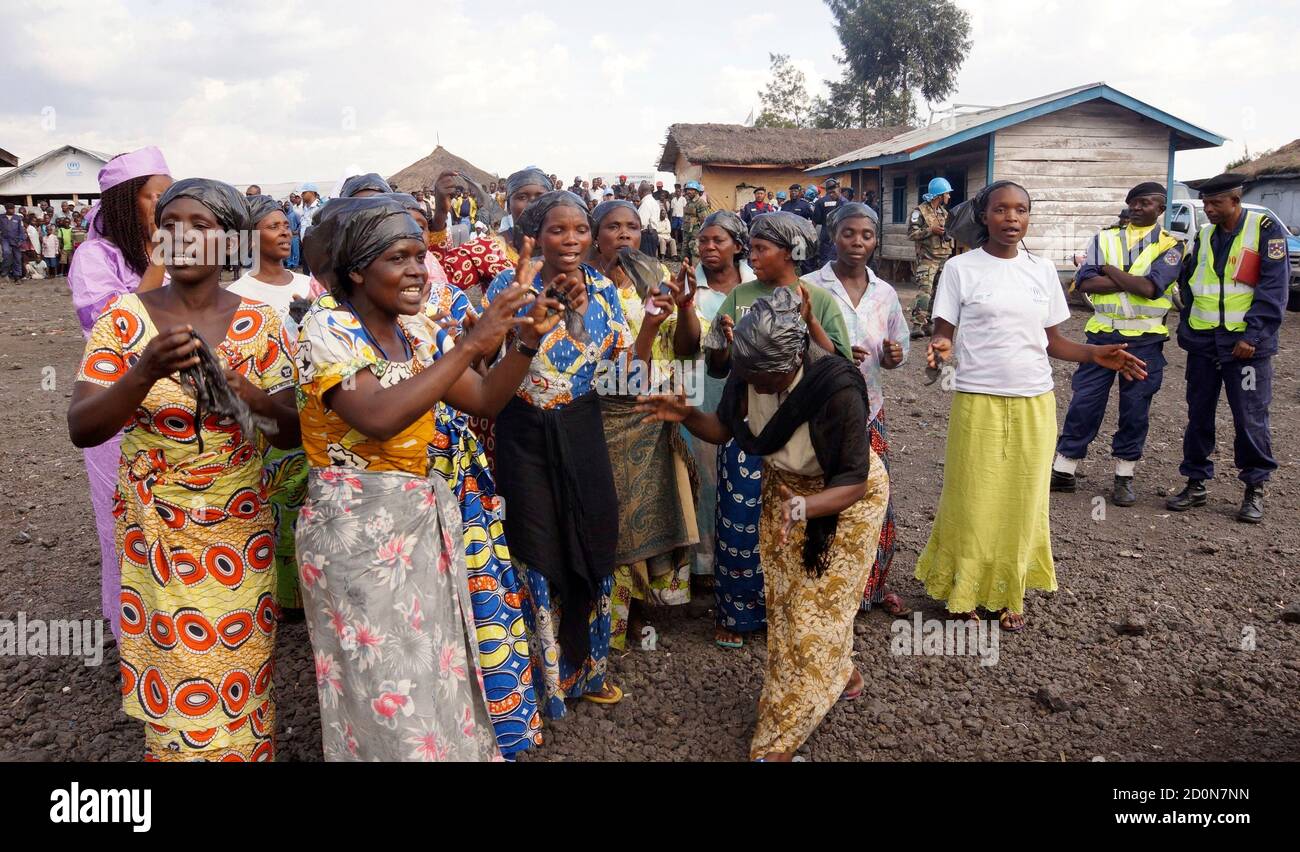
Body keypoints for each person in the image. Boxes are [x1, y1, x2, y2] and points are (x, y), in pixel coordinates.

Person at [295, 195, 562, 760]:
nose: (417, 269)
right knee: (379, 685)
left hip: (417, 522)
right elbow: (377, 417)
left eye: (420, 255)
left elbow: (486, 399)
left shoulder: (415, 332)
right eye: (398, 257)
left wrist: (527, 342)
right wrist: (470, 344)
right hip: (354, 533)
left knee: (431, 670)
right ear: (357, 271)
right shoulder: (328, 327)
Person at [68, 178, 301, 760]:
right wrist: (143, 372)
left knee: (239, 673)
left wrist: (245, 397)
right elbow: (83, 426)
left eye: (201, 225)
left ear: (230, 242)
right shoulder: (125, 320)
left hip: (238, 530)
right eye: (170, 224)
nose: (183, 236)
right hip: (159, 535)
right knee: (177, 680)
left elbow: (292, 433)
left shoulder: (261, 324)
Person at [637, 287, 888, 761]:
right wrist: (687, 414)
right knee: (790, 601)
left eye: (769, 377)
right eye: (750, 375)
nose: (759, 385)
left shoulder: (836, 388)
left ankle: (778, 739)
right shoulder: (749, 370)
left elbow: (854, 480)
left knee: (813, 616)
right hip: (785, 490)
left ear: (795, 357)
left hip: (844, 499)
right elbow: (725, 428)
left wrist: (807, 509)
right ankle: (840, 673)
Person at [918, 181, 1146, 633]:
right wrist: (940, 349)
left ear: (1028, 217)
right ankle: (963, 588)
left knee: (1022, 501)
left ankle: (1008, 590)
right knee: (971, 497)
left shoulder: (1042, 271)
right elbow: (943, 333)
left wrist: (1094, 353)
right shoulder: (960, 269)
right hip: (978, 400)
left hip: (1034, 402)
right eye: (1001, 210)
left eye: (1020, 210)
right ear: (985, 216)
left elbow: (1053, 341)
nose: (1011, 218)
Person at [485, 191, 629, 715]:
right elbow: (485, 358)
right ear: (536, 236)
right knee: (536, 545)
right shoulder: (511, 285)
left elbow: (619, 371)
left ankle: (589, 670)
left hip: (582, 426)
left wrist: (599, 317)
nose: (570, 241)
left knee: (593, 536)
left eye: (579, 231)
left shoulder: (607, 291)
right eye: (557, 231)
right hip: (523, 431)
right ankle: (545, 679)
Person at [700, 211, 852, 648]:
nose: (753, 255)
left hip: (799, 433)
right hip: (747, 427)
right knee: (739, 521)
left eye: (762, 248)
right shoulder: (741, 297)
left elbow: (840, 364)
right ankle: (735, 614)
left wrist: (811, 322)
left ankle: (787, 614)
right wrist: (724, 344)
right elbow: (715, 367)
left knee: (792, 525)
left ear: (791, 252)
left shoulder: (817, 299)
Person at [65, 147, 173, 640]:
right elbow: (117, 323)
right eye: (156, 196)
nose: (166, 204)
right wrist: (161, 262)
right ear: (128, 203)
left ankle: (180, 619)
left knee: (174, 512)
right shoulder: (94, 258)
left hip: (171, 403)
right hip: (116, 402)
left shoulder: (167, 252)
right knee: (124, 514)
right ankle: (132, 626)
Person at [586, 199, 702, 650]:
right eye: (612, 226)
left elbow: (690, 350)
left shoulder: (655, 280)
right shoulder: (587, 289)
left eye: (632, 227)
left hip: (653, 418)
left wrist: (686, 306)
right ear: (596, 235)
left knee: (649, 513)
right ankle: (606, 623)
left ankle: (634, 611)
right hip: (604, 418)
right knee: (610, 518)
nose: (624, 235)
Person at [802, 202, 911, 616]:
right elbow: (794, 345)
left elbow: (895, 349)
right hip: (821, 412)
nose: (858, 242)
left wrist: (895, 355)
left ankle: (873, 587)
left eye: (866, 235)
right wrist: (832, 355)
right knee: (822, 493)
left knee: (873, 496)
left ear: (875, 240)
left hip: (869, 409)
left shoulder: (885, 293)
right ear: (834, 235)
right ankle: (820, 584)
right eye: (849, 233)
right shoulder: (810, 286)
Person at [1166, 173, 1292, 523]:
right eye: (1205, 203)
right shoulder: (1204, 235)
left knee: (1250, 418)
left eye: (1215, 203)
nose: (1208, 209)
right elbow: (1190, 284)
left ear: (1235, 201)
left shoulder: (1264, 230)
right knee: (1198, 415)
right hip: (1206, 344)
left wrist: (1252, 336)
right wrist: (1190, 325)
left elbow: (1273, 290)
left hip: (1246, 348)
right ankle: (1195, 482)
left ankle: (1255, 488)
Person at [1051, 182, 1183, 506]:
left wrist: (1108, 270)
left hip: (1146, 341)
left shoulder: (1171, 246)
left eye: (1146, 203)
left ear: (1160, 208)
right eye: (1133, 203)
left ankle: (1124, 476)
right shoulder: (1104, 238)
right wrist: (1128, 280)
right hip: (1101, 336)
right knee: (1085, 403)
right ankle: (1064, 469)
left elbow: (1152, 288)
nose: (1138, 208)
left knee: (1135, 410)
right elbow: (1084, 281)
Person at [227, 195, 313, 611]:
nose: (284, 231)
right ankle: (282, 595)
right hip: (267, 401)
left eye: (286, 225)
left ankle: (309, 586)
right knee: (276, 497)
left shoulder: (307, 284)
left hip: (313, 399)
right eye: (273, 226)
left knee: (310, 496)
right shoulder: (238, 293)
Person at [687, 211, 755, 587]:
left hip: (749, 394)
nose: (709, 248)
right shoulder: (687, 286)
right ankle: (703, 565)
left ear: (738, 246)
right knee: (705, 475)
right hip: (702, 388)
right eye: (703, 241)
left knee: (745, 476)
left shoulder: (756, 285)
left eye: (718, 241)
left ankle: (741, 562)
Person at [907, 177, 955, 338]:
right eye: (947, 193)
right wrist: (930, 230)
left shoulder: (944, 212)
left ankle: (928, 324)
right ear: (939, 195)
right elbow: (912, 234)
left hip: (943, 258)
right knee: (925, 292)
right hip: (927, 258)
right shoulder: (919, 212)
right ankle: (917, 325)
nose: (949, 197)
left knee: (938, 293)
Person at [680, 180, 709, 262]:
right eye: (687, 189)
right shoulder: (688, 202)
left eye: (691, 190)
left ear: (696, 191)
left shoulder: (700, 203)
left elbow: (704, 220)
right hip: (687, 231)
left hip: (696, 232)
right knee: (685, 251)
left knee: (694, 251)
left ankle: (695, 272)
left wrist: (701, 235)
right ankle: (685, 271)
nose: (688, 191)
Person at [297, 183, 323, 274]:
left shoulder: (320, 207)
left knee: (316, 273)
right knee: (307, 273)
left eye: (304, 193)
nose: (302, 195)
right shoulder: (305, 208)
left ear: (312, 193)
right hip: (306, 246)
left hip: (316, 247)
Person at [636, 180, 661, 257]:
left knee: (645, 261)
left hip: (646, 235)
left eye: (638, 192)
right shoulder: (653, 202)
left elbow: (640, 222)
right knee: (650, 260)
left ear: (642, 192)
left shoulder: (646, 203)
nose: (638, 194)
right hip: (653, 234)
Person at [2, 203, 25, 280]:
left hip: (16, 240)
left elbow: (21, 230)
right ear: (6, 209)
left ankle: (17, 276)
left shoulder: (17, 218)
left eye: (13, 208)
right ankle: (4, 272)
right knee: (6, 253)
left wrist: (21, 240)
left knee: (17, 258)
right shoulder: (1, 217)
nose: (12, 210)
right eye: (10, 209)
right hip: (5, 239)